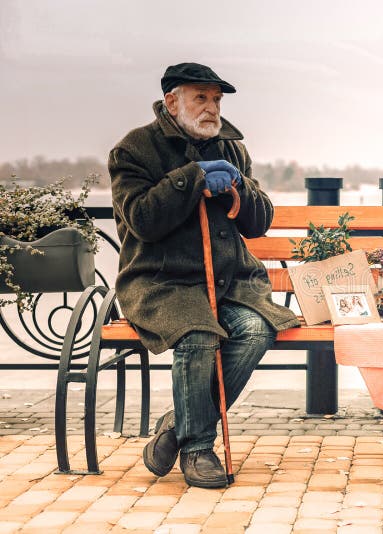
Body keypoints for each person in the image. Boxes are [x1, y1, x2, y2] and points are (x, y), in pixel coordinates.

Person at [108, 62, 300, 488]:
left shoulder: (231, 148)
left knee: (254, 329)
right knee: (197, 334)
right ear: (172, 101)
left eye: (216, 99)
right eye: (201, 97)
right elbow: (142, 220)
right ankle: (197, 449)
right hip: (161, 282)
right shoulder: (134, 150)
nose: (212, 108)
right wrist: (190, 179)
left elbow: (258, 222)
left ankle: (177, 424)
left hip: (231, 282)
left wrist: (240, 189)